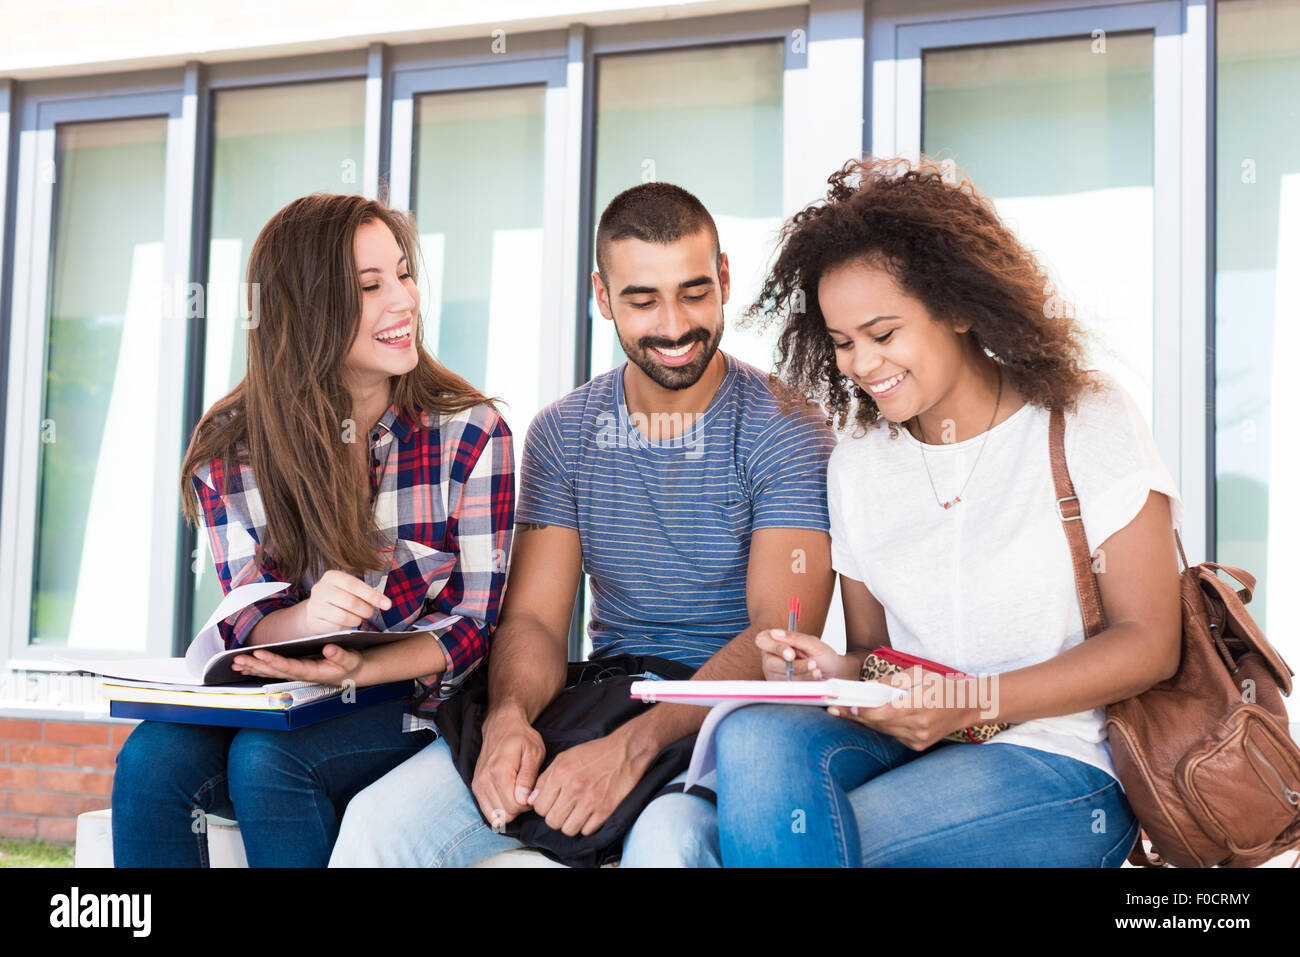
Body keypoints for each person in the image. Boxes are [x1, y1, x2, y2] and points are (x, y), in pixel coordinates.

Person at [328, 182, 837, 867]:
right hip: (604, 694)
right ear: (602, 298)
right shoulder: (564, 432)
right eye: (642, 299)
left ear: (723, 279)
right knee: (379, 822)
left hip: (729, 719)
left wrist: (633, 746)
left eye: (693, 291)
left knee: (666, 844)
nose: (675, 324)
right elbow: (537, 619)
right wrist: (509, 720)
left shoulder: (788, 428)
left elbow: (779, 638)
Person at [711, 156, 1185, 867]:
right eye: (842, 343)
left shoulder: (1083, 415)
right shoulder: (861, 463)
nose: (862, 365)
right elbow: (878, 657)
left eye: (883, 333)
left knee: (810, 840)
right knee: (750, 735)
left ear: (958, 307)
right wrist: (840, 667)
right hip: (916, 744)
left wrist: (973, 702)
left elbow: (1150, 641)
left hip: (1059, 758)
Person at [110, 193, 514, 867]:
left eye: (404, 272)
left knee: (271, 762)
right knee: (151, 759)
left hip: (414, 708)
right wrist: (304, 621)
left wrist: (362, 664)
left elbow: (476, 625)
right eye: (369, 286)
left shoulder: (471, 433)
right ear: (305, 310)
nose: (403, 300)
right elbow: (247, 612)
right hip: (278, 695)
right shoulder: (230, 447)